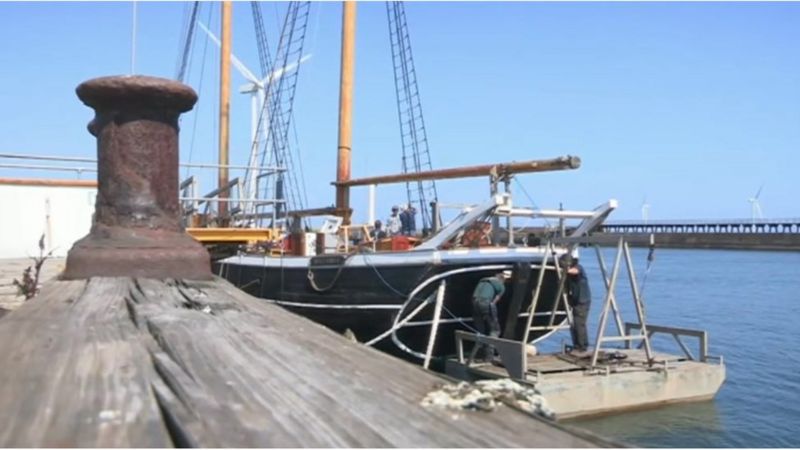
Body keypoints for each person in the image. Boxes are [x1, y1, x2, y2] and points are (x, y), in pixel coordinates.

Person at [471, 270, 512, 361]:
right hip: (485, 303)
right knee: (495, 330)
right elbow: (494, 302)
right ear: (504, 279)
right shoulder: (501, 286)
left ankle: (477, 353)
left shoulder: (483, 280)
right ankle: (489, 356)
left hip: (474, 303)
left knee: (480, 330)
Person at [561, 250, 592, 354]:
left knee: (579, 324)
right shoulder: (570, 274)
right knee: (578, 323)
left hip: (582, 301)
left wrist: (564, 270)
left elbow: (574, 271)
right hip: (576, 300)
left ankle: (582, 346)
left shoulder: (579, 267)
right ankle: (580, 344)